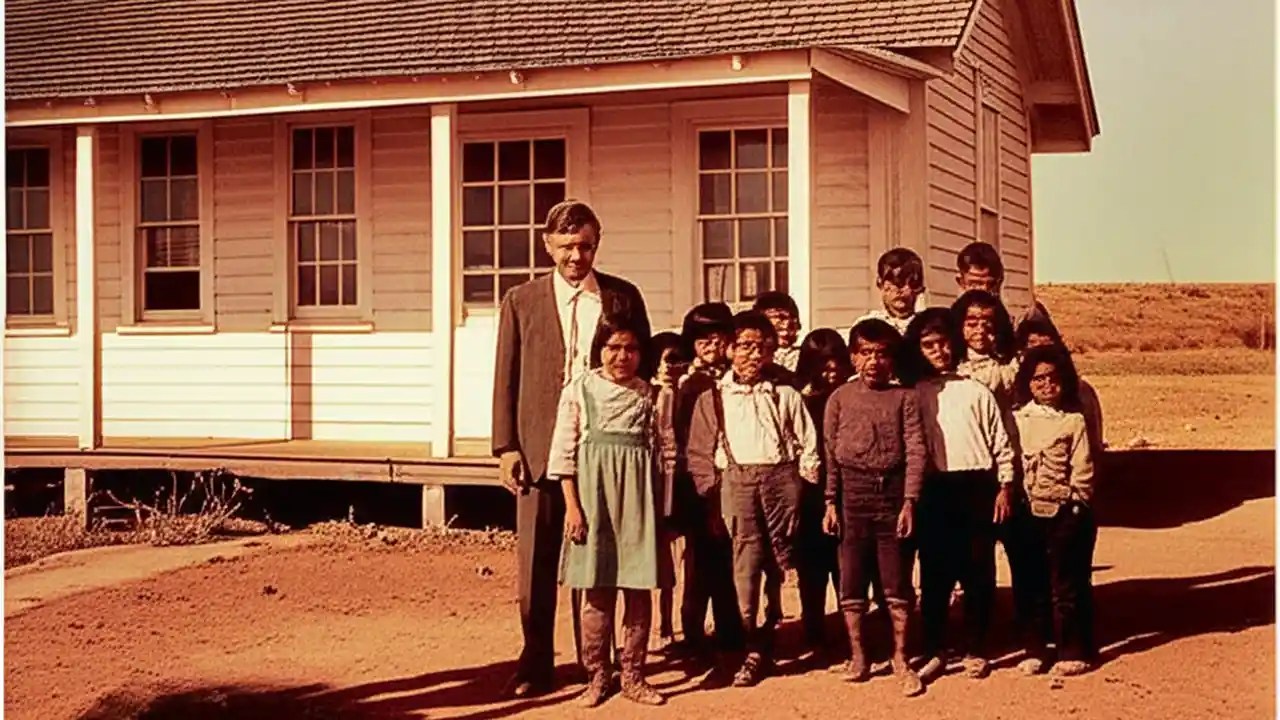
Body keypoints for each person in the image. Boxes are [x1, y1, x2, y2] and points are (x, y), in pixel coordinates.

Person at [492, 200, 651, 698]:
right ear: (547, 245)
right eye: (565, 247)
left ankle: (597, 664)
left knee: (599, 556)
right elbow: (506, 374)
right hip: (541, 447)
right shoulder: (522, 300)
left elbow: (640, 367)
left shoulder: (622, 296)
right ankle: (536, 660)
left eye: (584, 246)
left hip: (608, 450)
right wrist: (506, 447)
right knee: (537, 562)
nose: (575, 257)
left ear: (596, 244)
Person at [686, 310, 820, 687]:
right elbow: (699, 456)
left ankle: (772, 634)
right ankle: (747, 645)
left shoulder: (784, 394)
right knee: (744, 564)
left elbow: (808, 444)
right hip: (736, 483)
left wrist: (801, 488)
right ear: (729, 349)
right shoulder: (713, 399)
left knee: (779, 564)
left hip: (781, 481)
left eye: (761, 347)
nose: (752, 355)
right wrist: (711, 498)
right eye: (744, 346)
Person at [551, 315, 667, 707]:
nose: (622, 357)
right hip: (592, 499)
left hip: (637, 501)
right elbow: (563, 453)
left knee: (637, 590)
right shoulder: (580, 390)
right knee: (597, 593)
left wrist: (658, 512)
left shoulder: (650, 393)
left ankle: (633, 675)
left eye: (631, 349)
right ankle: (597, 677)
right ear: (599, 349)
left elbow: (661, 455)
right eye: (613, 348)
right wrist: (573, 508)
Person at [899, 308, 1015, 682]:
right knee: (935, 572)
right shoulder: (913, 394)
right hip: (935, 489)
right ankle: (935, 647)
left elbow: (1000, 443)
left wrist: (1004, 486)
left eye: (943, 342)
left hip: (977, 485)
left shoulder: (976, 390)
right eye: (929, 345)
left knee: (978, 569)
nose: (938, 351)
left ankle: (977, 647)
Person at [821, 319, 926, 697]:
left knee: (896, 582)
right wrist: (830, 501)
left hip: (892, 495)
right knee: (851, 580)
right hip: (851, 496)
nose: (874, 361)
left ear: (892, 358)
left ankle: (900, 656)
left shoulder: (906, 398)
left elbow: (916, 450)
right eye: (866, 353)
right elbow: (830, 455)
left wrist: (910, 501)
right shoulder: (839, 399)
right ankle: (859, 657)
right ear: (853, 357)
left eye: (882, 353)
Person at [1011, 345, 1098, 677]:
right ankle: (1035, 649)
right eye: (1038, 379)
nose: (1046, 385)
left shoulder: (1074, 421)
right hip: (1026, 511)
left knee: (1066, 584)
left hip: (1064, 511)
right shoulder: (1019, 419)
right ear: (1028, 383)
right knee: (1030, 584)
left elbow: (1084, 467)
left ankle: (1072, 650)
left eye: (1053, 378)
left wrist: (1077, 504)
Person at [669, 302, 744, 656]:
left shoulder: (735, 379)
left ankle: (731, 631)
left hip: (732, 479)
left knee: (728, 558)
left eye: (720, 340)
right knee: (698, 561)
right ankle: (693, 634)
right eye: (704, 342)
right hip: (695, 481)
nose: (713, 348)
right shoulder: (687, 383)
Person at [793, 328, 853, 658]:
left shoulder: (853, 396)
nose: (831, 374)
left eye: (835, 367)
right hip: (810, 493)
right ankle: (814, 634)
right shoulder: (800, 400)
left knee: (847, 568)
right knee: (812, 571)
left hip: (847, 490)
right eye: (823, 368)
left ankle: (850, 635)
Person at [1016, 319, 1105, 457]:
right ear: (1020, 352)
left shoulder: (1081, 391)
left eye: (1047, 348)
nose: (1042, 356)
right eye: (1034, 347)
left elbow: (1093, 444)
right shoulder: (1009, 390)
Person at [650, 330, 687, 650]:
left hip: (683, 476)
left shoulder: (687, 390)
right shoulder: (650, 394)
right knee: (662, 555)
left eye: (676, 360)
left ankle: (674, 622)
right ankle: (660, 624)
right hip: (659, 478)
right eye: (664, 360)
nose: (669, 368)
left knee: (681, 553)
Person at [955, 241, 1056, 331]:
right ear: (961, 282)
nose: (984, 290)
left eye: (991, 285)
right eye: (975, 284)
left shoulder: (1022, 320)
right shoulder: (950, 324)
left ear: (1000, 282)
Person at [853, 248, 926, 335]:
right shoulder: (866, 328)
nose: (900, 289)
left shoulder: (926, 326)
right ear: (880, 284)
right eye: (893, 281)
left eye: (911, 282)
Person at [754, 291, 803, 373]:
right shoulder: (755, 356)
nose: (788, 323)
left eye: (793, 317)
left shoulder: (804, 357)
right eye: (780, 317)